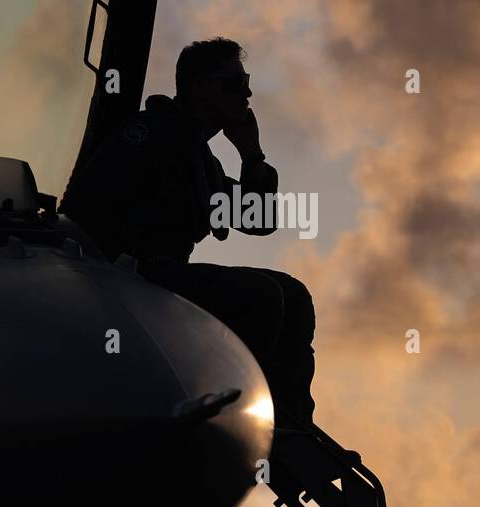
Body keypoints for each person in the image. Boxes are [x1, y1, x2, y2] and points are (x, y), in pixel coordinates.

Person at [61, 37, 315, 431]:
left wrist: (253, 157)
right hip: (126, 279)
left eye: (245, 81)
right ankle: (236, 411)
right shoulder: (147, 133)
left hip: (161, 279)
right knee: (259, 296)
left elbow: (259, 219)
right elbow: (86, 206)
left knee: (293, 295)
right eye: (232, 82)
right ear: (198, 87)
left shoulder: (202, 160)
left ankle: (291, 422)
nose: (246, 92)